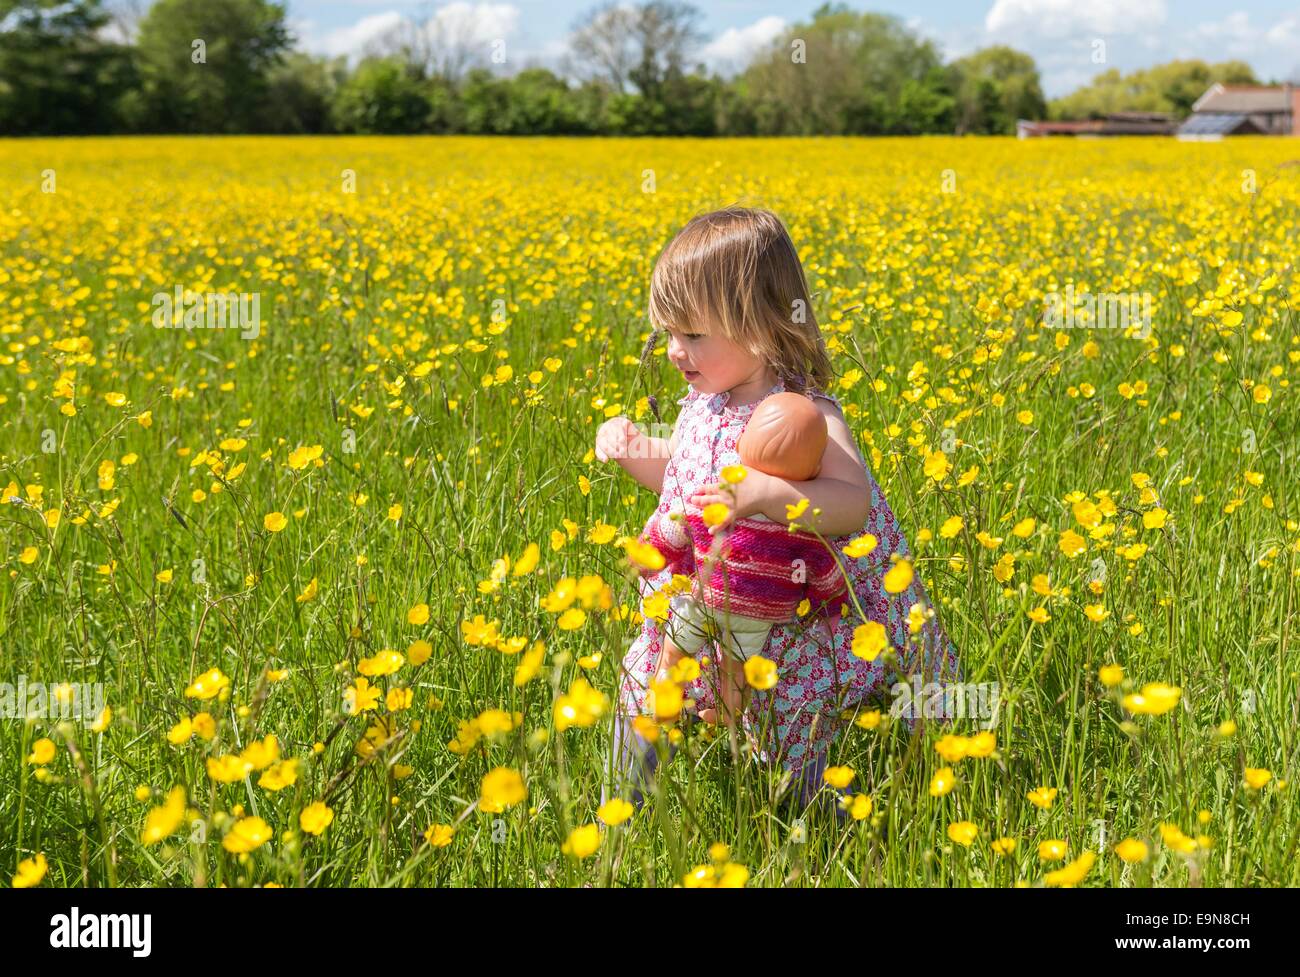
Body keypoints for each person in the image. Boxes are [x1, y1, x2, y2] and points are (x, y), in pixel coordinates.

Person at [594, 206, 960, 817]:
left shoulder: (804, 410)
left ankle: (834, 828)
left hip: (789, 614)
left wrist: (767, 495)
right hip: (700, 596)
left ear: (760, 325)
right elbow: (683, 477)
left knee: (789, 734)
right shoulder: (700, 403)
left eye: (693, 334)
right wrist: (631, 449)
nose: (675, 352)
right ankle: (613, 826)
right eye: (668, 335)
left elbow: (850, 502)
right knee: (643, 693)